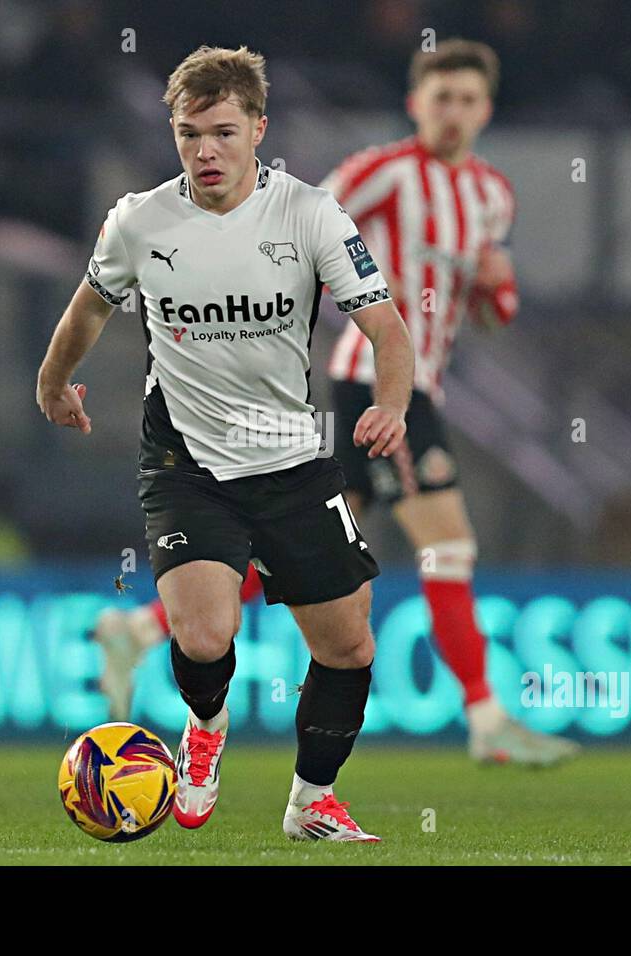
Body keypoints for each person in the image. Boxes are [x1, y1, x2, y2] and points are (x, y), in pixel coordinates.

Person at [96, 38, 579, 768]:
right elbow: (287, 229)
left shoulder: (491, 196)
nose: (453, 113)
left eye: (467, 100)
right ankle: (486, 716)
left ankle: (139, 627)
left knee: (312, 547)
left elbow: (492, 311)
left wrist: (495, 287)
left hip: (423, 380)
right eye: (441, 98)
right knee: (449, 543)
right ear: (416, 104)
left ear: (486, 110)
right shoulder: (381, 172)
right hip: (375, 382)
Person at [36, 46, 413, 842]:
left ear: (259, 130)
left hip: (291, 460)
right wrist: (52, 381)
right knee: (204, 635)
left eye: (223, 133)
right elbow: (88, 308)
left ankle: (312, 800)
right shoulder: (139, 220)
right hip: (187, 463)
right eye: (189, 134)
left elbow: (387, 328)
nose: (205, 151)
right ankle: (205, 726)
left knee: (349, 646)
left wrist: (391, 405)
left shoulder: (311, 215)